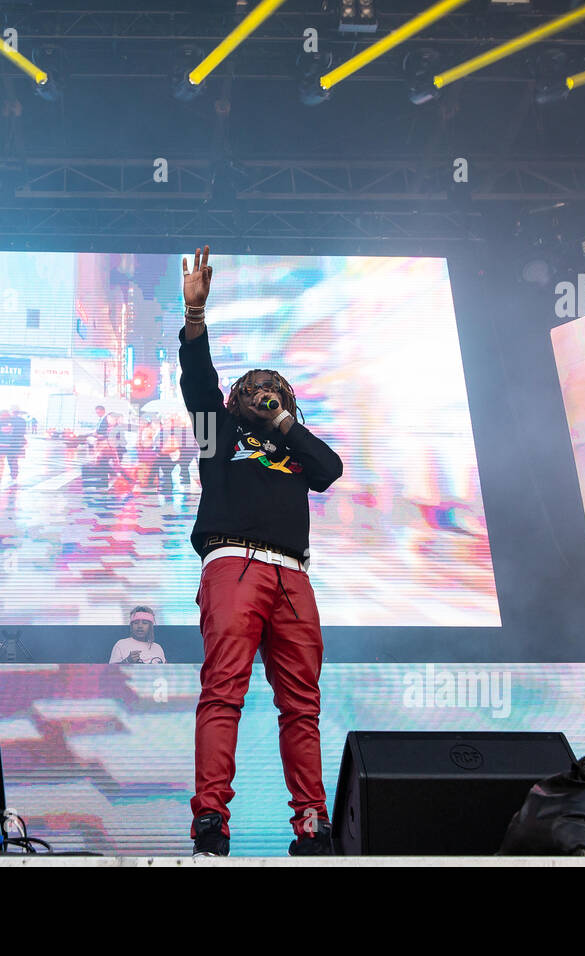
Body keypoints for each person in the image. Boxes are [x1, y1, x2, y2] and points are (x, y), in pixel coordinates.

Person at [178, 244, 344, 858]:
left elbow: (330, 468)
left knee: (302, 704)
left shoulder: (297, 450)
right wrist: (196, 319)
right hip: (235, 564)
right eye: (254, 390)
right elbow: (199, 383)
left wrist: (283, 425)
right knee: (225, 689)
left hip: (293, 577)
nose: (263, 395)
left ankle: (311, 822)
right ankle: (211, 821)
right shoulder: (216, 437)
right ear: (235, 402)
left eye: (274, 392)